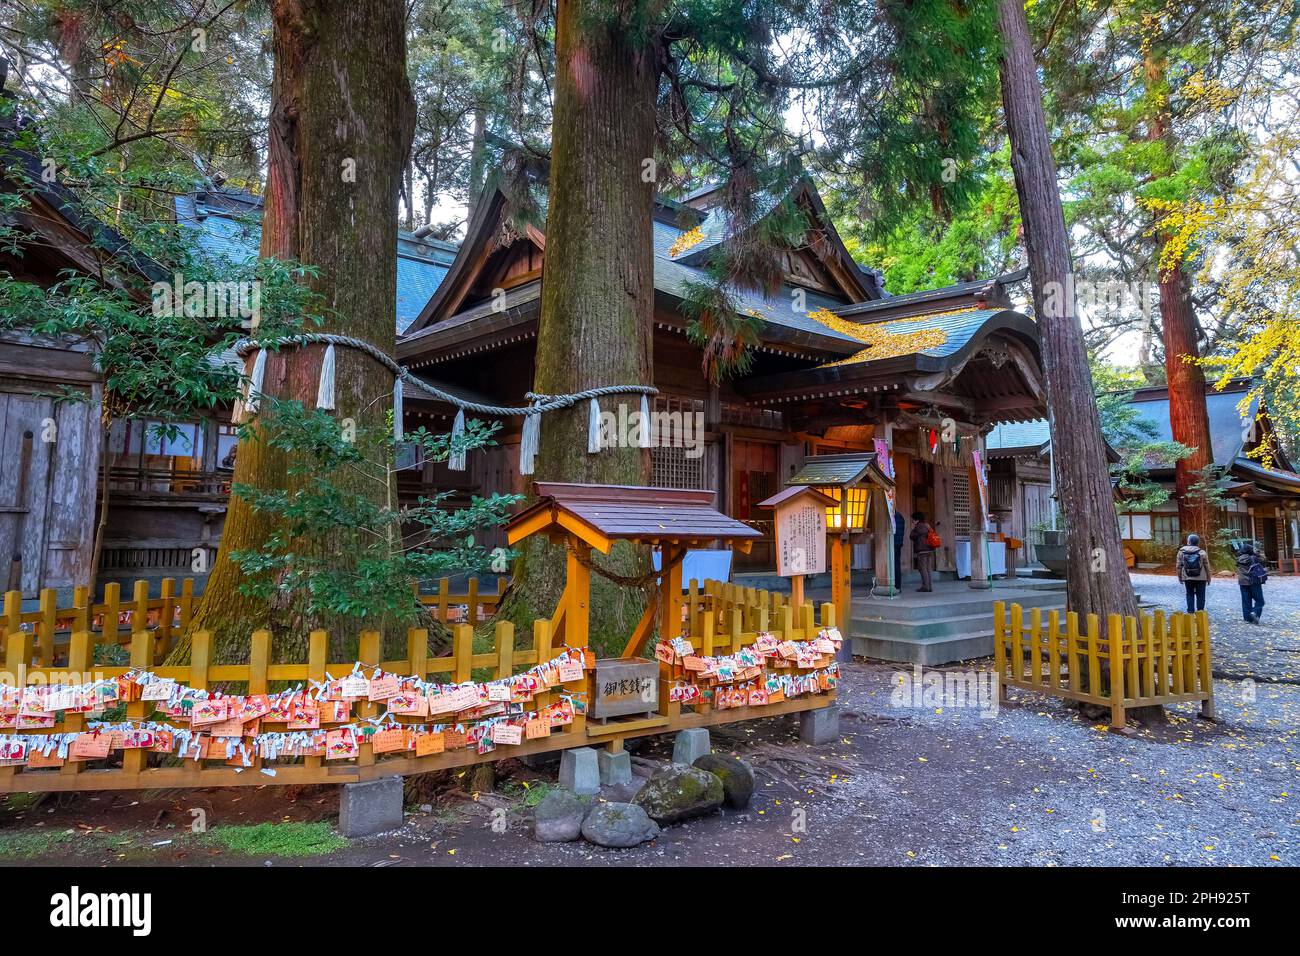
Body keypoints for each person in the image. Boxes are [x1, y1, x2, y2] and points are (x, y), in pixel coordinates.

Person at [1175, 533, 1210, 613]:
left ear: (1188, 542)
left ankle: (1190, 612)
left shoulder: (1181, 552)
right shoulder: (1202, 552)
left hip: (1187, 577)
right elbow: (1207, 566)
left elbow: (1178, 566)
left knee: (1189, 594)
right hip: (1201, 577)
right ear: (1198, 543)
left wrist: (1180, 577)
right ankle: (1200, 613)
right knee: (1201, 595)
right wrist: (1208, 578)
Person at [1236, 542, 1268, 624]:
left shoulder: (1238, 559)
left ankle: (1247, 618)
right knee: (1260, 600)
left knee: (1246, 600)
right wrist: (1257, 553)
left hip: (1242, 582)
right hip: (1253, 581)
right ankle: (1255, 612)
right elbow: (1264, 560)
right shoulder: (1254, 558)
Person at [909, 510, 935, 592]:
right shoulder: (927, 525)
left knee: (922, 569)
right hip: (929, 550)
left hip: (922, 550)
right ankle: (929, 586)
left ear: (917, 519)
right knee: (928, 569)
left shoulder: (918, 526)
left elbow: (912, 536)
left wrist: (913, 528)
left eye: (913, 519)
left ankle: (925, 586)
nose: (912, 521)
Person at [892, 509, 905, 590]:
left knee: (894, 565)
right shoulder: (900, 516)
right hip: (898, 543)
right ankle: (898, 586)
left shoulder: (892, 517)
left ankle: (895, 585)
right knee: (897, 565)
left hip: (893, 543)